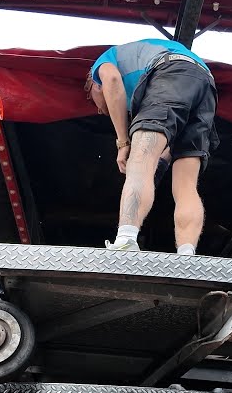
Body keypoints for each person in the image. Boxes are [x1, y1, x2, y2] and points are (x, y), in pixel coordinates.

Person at [87, 38, 219, 255]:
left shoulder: (103, 62)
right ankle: (187, 253)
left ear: (94, 86)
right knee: (186, 184)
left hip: (170, 70)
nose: (102, 111)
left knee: (140, 162)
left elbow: (111, 80)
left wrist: (123, 142)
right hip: (205, 83)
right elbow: (168, 142)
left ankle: (126, 240)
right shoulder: (150, 63)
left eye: (97, 105)